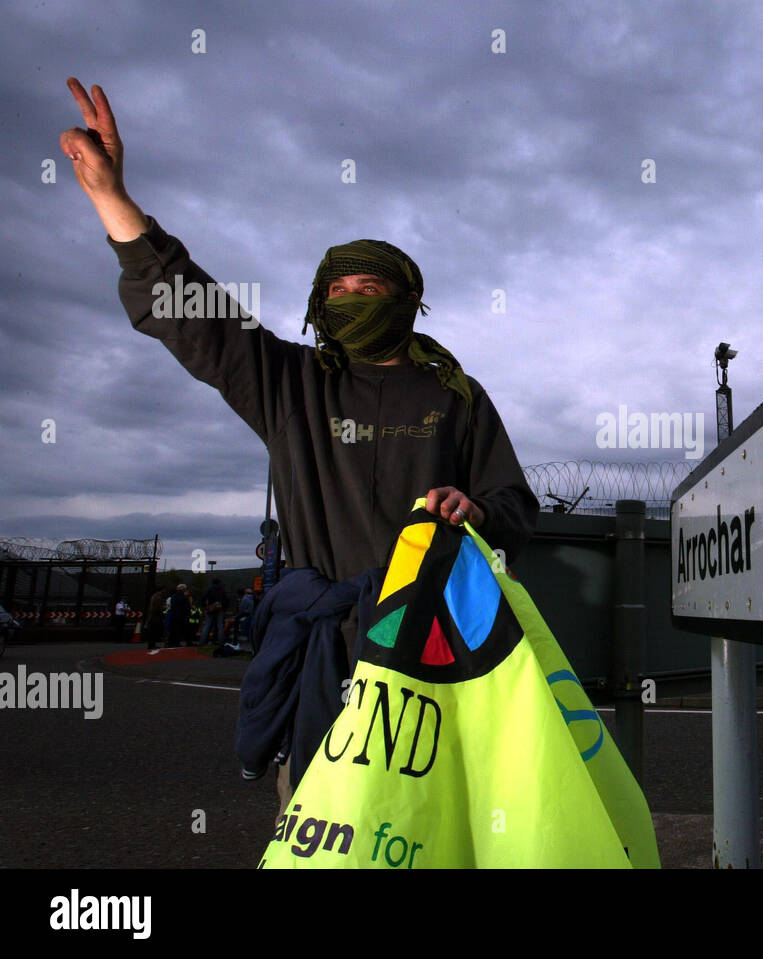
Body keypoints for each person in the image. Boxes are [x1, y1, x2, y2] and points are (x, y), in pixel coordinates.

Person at [62, 79, 538, 811]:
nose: (352, 293)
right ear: (320, 300)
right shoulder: (288, 381)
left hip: (432, 672)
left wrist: (475, 509)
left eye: (369, 284)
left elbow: (517, 506)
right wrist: (111, 198)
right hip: (321, 679)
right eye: (338, 283)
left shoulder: (456, 397)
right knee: (319, 838)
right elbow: (196, 315)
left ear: (406, 300)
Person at [200, 578, 227, 646]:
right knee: (220, 626)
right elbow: (226, 599)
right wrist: (224, 607)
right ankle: (221, 642)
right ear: (219, 582)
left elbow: (203, 597)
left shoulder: (209, 589)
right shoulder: (222, 589)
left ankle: (202, 642)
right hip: (219, 608)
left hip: (211, 608)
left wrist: (205, 606)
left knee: (207, 625)